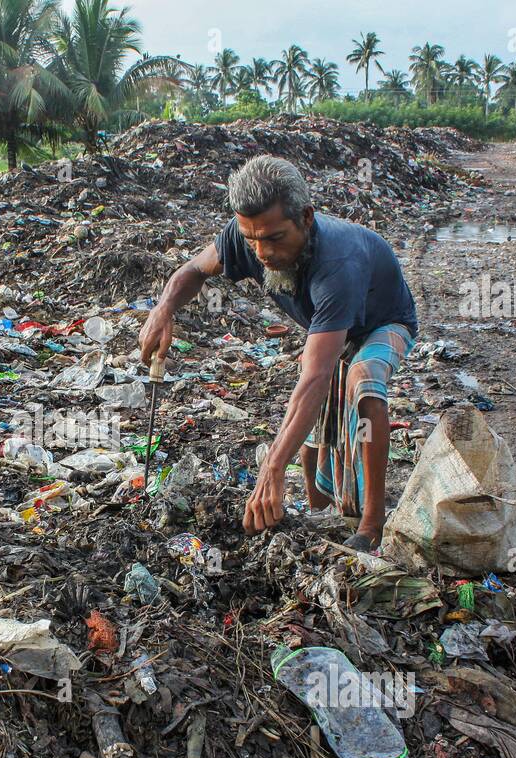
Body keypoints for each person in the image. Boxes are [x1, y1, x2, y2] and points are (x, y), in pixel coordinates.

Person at [139, 156, 417, 551]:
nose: (261, 251)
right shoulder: (246, 235)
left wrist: (271, 466)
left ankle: (372, 524)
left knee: (361, 379)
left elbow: (317, 377)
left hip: (383, 322)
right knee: (308, 428)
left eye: (273, 238)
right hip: (327, 325)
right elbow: (193, 272)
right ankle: (319, 510)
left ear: (305, 217)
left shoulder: (338, 263)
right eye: (251, 238)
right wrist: (163, 309)